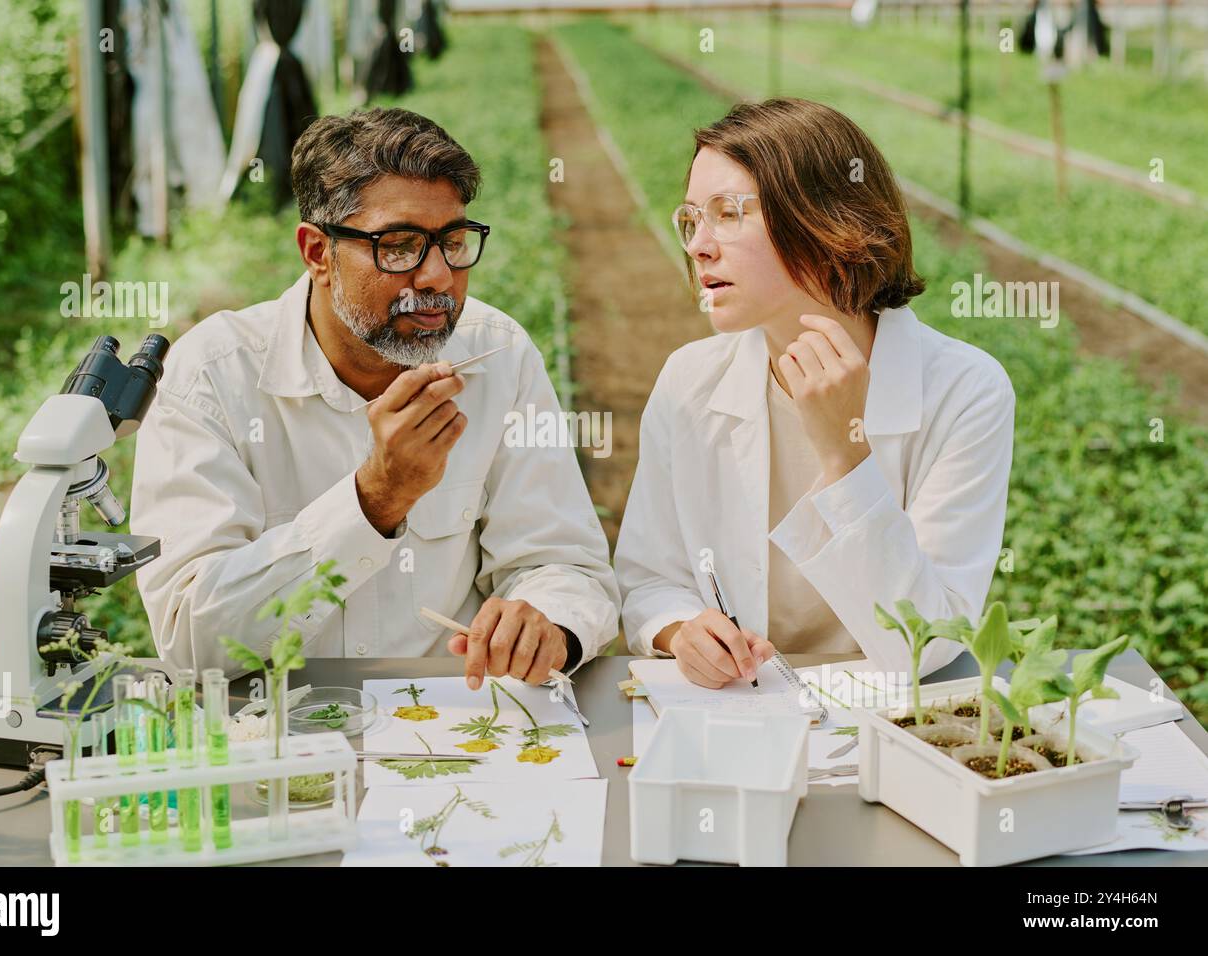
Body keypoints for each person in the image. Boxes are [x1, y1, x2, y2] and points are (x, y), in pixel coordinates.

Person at [132, 107, 619, 687]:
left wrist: (548, 622)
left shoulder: (498, 356)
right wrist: (374, 500)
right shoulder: (214, 376)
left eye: (454, 242)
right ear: (318, 253)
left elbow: (564, 563)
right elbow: (193, 641)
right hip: (281, 733)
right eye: (400, 246)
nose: (437, 276)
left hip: (452, 722)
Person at [615, 98, 1015, 688]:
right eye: (692, 219)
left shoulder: (966, 390)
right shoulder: (687, 381)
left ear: (825, 221)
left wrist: (845, 454)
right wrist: (681, 629)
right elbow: (649, 577)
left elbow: (925, 644)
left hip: (894, 723)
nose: (699, 245)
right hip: (740, 709)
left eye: (728, 214)